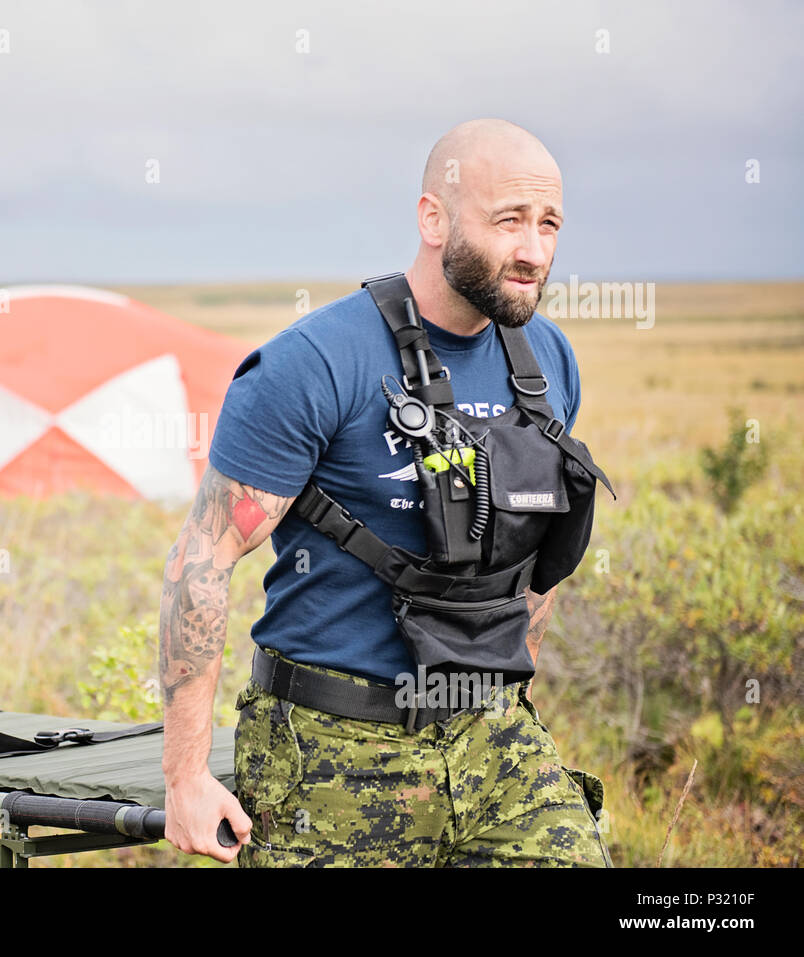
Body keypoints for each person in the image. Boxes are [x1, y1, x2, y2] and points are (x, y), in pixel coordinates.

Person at [159, 119, 612, 867]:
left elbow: (537, 556)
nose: (534, 251)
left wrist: (509, 696)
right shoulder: (314, 361)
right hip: (332, 744)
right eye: (509, 221)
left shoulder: (550, 360)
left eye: (549, 223)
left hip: (490, 735)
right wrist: (186, 776)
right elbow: (201, 559)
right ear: (433, 217)